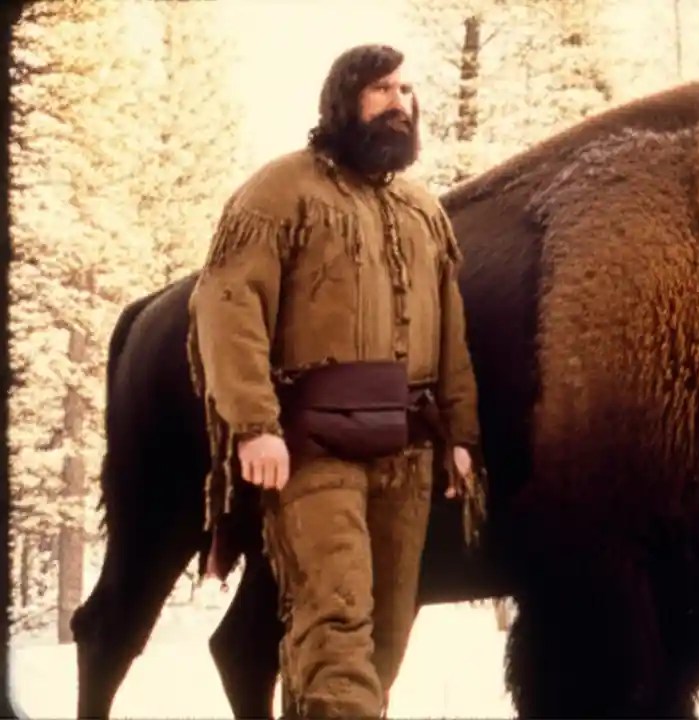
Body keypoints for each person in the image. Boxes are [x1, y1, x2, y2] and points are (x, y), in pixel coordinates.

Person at [186, 43, 480, 718]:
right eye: (381, 90)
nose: (399, 104)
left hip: (407, 452)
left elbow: (452, 338)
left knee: (386, 642)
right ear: (344, 99)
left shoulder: (424, 210)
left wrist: (460, 437)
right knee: (335, 624)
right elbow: (227, 306)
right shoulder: (280, 191)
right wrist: (256, 426)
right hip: (314, 452)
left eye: (407, 92)